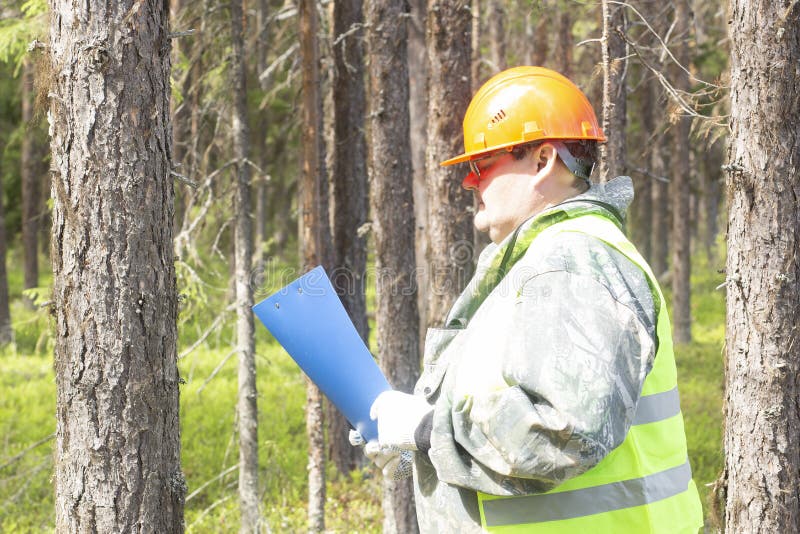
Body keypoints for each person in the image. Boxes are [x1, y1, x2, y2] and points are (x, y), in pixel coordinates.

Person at [353, 66, 704, 533]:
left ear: (542, 161)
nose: (470, 183)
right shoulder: (540, 261)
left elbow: (562, 433)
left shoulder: (575, 260)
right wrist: (424, 450)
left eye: (482, 165)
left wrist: (425, 430)